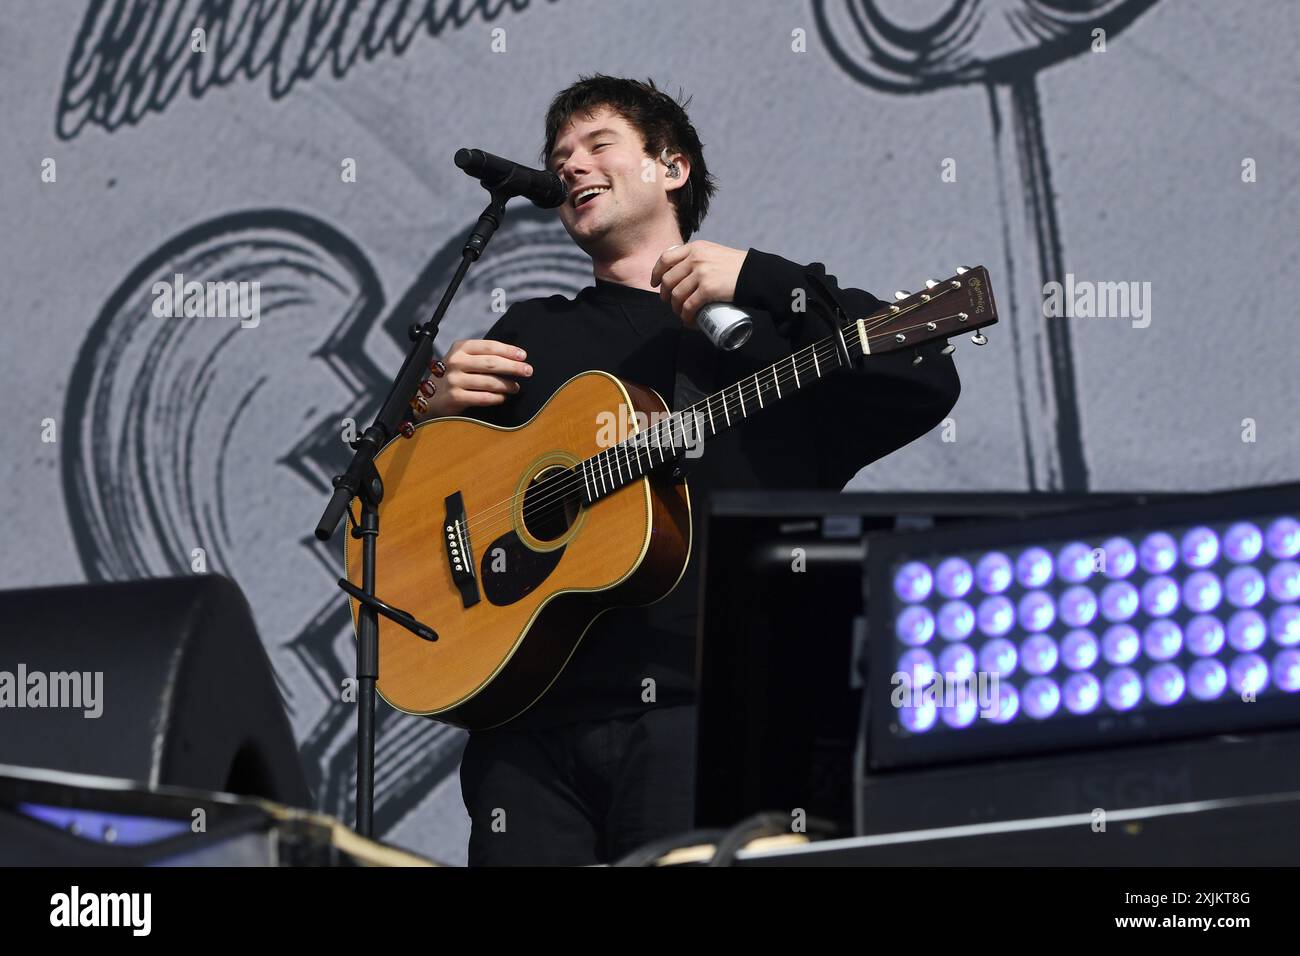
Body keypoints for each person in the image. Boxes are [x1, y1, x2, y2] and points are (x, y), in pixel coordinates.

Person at [423, 74, 961, 865]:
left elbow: (925, 371)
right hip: (527, 725)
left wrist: (762, 279)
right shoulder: (529, 333)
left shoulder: (774, 329)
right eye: (560, 155)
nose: (571, 165)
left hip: (707, 712)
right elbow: (402, 505)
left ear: (671, 167)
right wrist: (427, 411)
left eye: (598, 144)